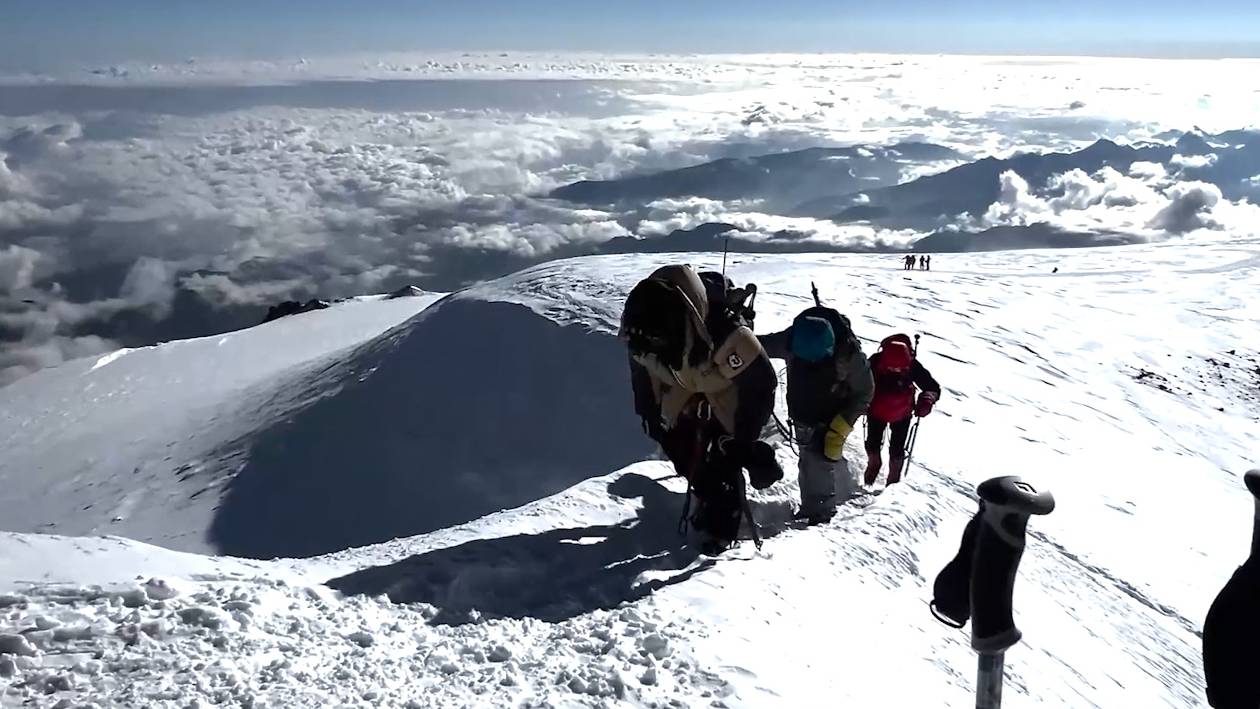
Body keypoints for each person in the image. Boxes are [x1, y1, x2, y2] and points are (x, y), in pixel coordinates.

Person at [620, 264, 783, 554]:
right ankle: (711, 504)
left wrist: (743, 440)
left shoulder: (728, 335)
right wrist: (653, 419)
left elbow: (760, 386)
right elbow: (644, 381)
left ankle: (720, 533)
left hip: (721, 395)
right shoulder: (650, 332)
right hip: (694, 388)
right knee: (690, 460)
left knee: (724, 463)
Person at [759, 304, 873, 523]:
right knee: (808, 459)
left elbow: (865, 391)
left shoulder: (849, 355)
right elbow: (757, 345)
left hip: (833, 416)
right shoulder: (790, 340)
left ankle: (821, 510)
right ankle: (816, 502)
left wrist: (843, 424)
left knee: (819, 459)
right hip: (802, 413)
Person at [864, 334, 941, 486]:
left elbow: (932, 387)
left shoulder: (878, 361)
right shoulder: (906, 364)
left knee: (892, 448)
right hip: (894, 412)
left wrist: (928, 399)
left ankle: (888, 477)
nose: (895, 370)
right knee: (878, 445)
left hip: (889, 411)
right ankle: (880, 470)